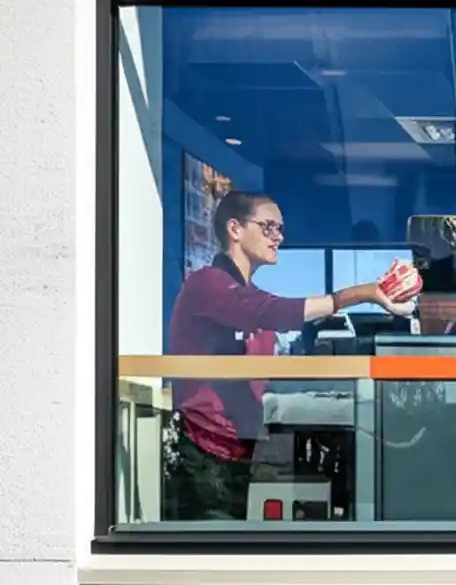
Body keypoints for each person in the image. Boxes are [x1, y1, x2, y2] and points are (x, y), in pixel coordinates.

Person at [163, 191, 413, 520]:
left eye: (280, 229)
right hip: (201, 451)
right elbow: (277, 312)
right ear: (235, 229)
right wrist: (363, 293)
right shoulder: (207, 284)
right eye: (268, 227)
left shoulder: (247, 297)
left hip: (238, 451)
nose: (278, 237)